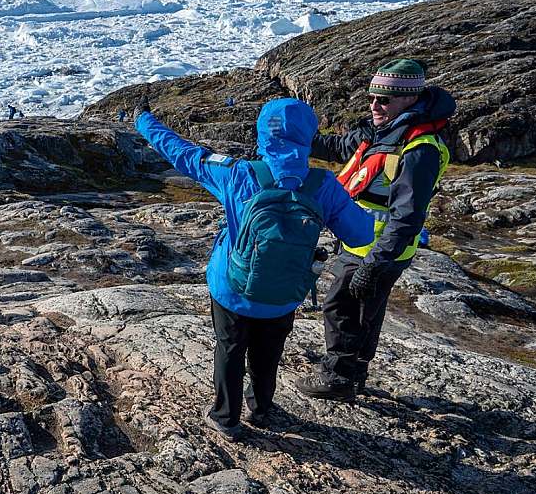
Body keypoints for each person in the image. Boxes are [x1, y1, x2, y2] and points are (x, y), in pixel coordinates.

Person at [136, 96, 373, 440]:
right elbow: (361, 234)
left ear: (263, 134)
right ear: (308, 136)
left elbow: (181, 152)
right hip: (285, 292)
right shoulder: (324, 186)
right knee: (269, 352)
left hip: (233, 287)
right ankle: (260, 409)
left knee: (230, 348)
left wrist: (143, 119)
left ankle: (225, 418)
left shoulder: (238, 174)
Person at [294, 59, 454, 402]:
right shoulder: (382, 131)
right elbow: (340, 148)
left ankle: (337, 376)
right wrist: (294, 136)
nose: (374, 105)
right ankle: (354, 373)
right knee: (365, 310)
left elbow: (407, 216)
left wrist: (376, 262)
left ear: (410, 99)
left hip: (380, 248)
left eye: (384, 99)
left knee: (341, 307)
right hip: (360, 241)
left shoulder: (418, 149)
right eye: (372, 98)